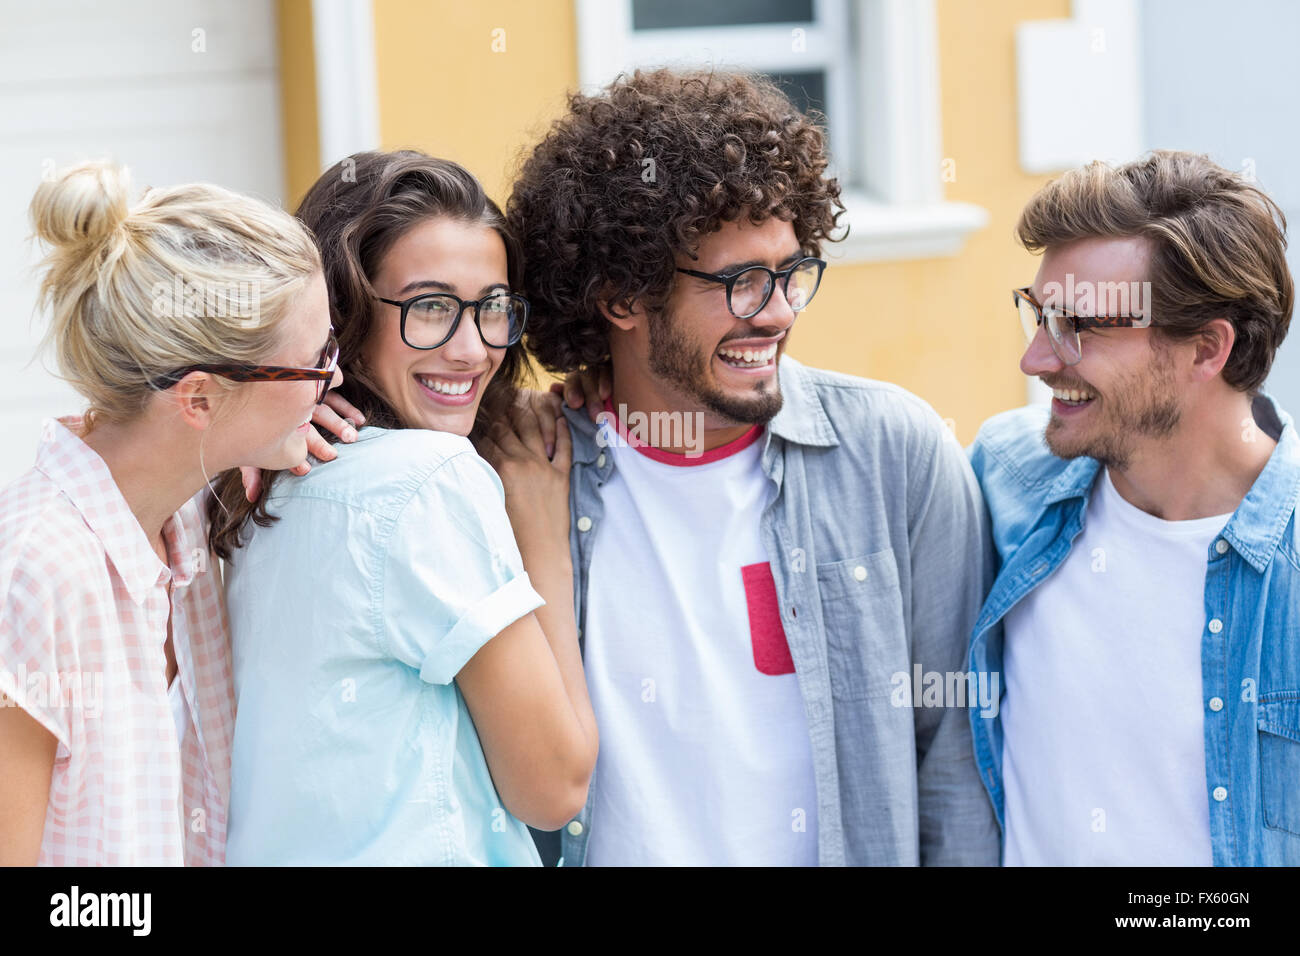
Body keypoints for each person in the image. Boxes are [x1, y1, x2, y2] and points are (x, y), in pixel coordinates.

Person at [502, 68, 1000, 866]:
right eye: (739, 283)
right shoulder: (524, 473)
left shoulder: (892, 452)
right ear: (622, 296)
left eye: (791, 273)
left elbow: (958, 752)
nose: (777, 312)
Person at [212, 150, 597, 866]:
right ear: (343, 311)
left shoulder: (254, 478)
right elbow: (555, 784)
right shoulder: (427, 480)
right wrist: (543, 533)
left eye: (492, 309)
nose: (470, 348)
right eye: (428, 307)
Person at [0, 160, 341, 865]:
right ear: (197, 400)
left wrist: (276, 422)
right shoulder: (34, 573)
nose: (333, 377)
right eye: (315, 361)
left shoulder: (182, 514)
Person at [968, 150, 1299, 865]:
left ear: (1206, 347)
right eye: (1039, 314)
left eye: (1079, 327)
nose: (1036, 359)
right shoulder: (1007, 478)